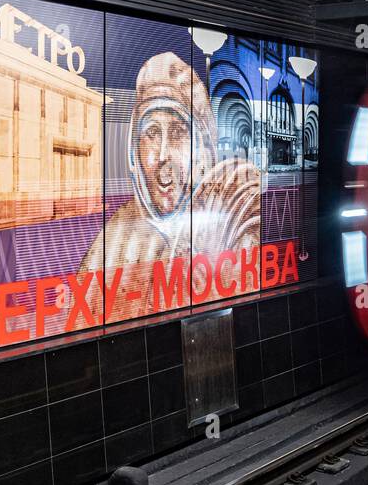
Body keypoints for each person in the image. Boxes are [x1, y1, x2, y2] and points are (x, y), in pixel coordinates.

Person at [79, 51, 259, 321]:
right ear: (134, 148)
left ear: (201, 146)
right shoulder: (114, 238)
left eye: (178, 133)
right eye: (151, 133)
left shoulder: (229, 223)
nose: (163, 154)